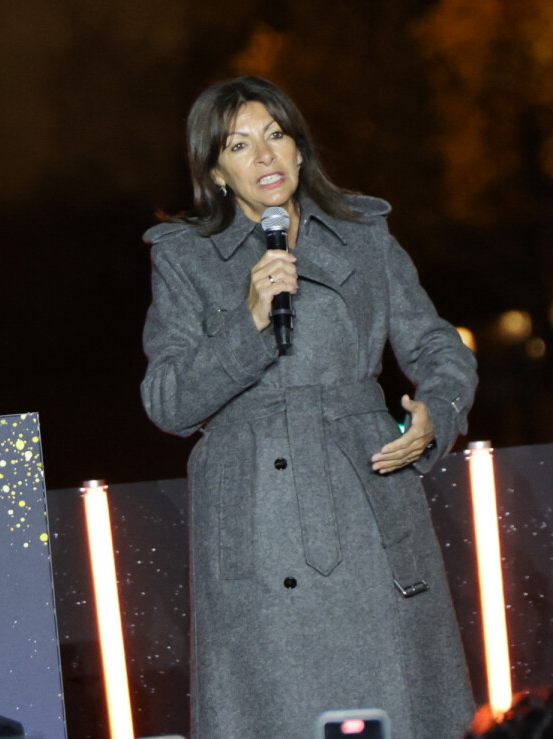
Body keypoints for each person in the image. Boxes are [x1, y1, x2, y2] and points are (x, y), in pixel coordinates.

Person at [140, 76, 477, 738]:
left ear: (299, 149)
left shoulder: (364, 233)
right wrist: (249, 321)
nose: (264, 158)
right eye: (240, 146)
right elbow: (167, 401)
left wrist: (436, 415)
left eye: (275, 136)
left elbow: (441, 350)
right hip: (255, 533)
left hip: (366, 503)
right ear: (216, 171)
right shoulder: (185, 258)